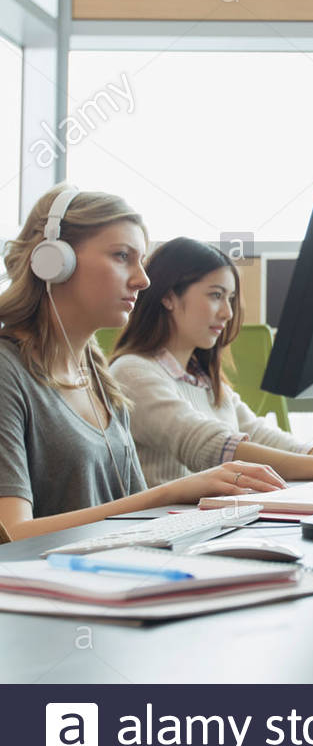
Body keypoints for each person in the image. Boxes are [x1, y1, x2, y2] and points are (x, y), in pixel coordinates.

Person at [0, 185, 285, 540]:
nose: (143, 279)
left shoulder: (97, 376)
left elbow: (136, 511)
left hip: (111, 576)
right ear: (54, 261)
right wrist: (175, 490)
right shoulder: (7, 370)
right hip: (38, 589)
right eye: (122, 256)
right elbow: (12, 532)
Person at [109, 237, 313, 487]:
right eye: (216, 295)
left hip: (211, 524)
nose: (227, 313)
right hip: (165, 539)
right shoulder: (133, 373)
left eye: (230, 299)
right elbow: (210, 447)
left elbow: (261, 436)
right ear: (167, 296)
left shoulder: (202, 378)